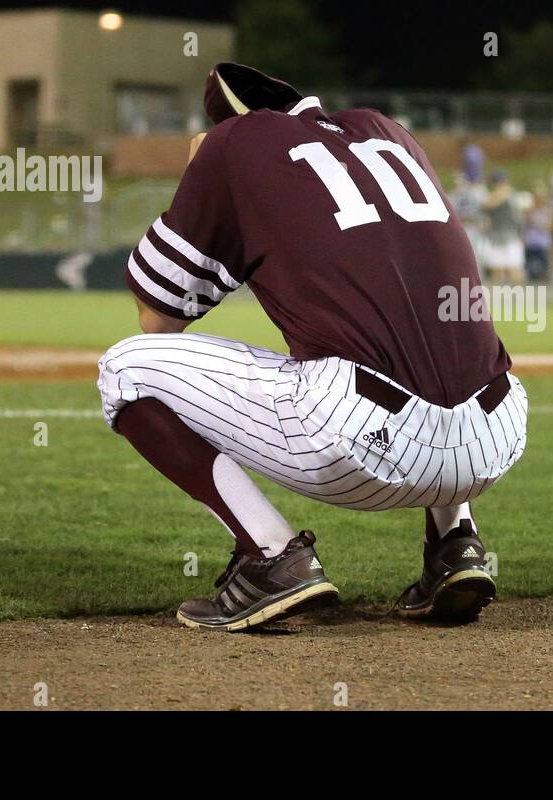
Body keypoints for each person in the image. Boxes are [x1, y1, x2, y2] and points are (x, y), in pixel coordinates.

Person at [96, 63, 527, 631]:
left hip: (361, 440)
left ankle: (272, 559)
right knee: (419, 332)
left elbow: (158, 318)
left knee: (123, 369)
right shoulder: (389, 132)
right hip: (498, 431)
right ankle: (456, 546)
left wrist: (204, 174)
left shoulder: (235, 144)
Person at [480, 171, 526, 284]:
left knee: (513, 269)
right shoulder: (510, 194)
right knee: (498, 269)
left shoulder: (506, 194)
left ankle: (518, 296)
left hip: (509, 236)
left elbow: (487, 204)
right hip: (500, 236)